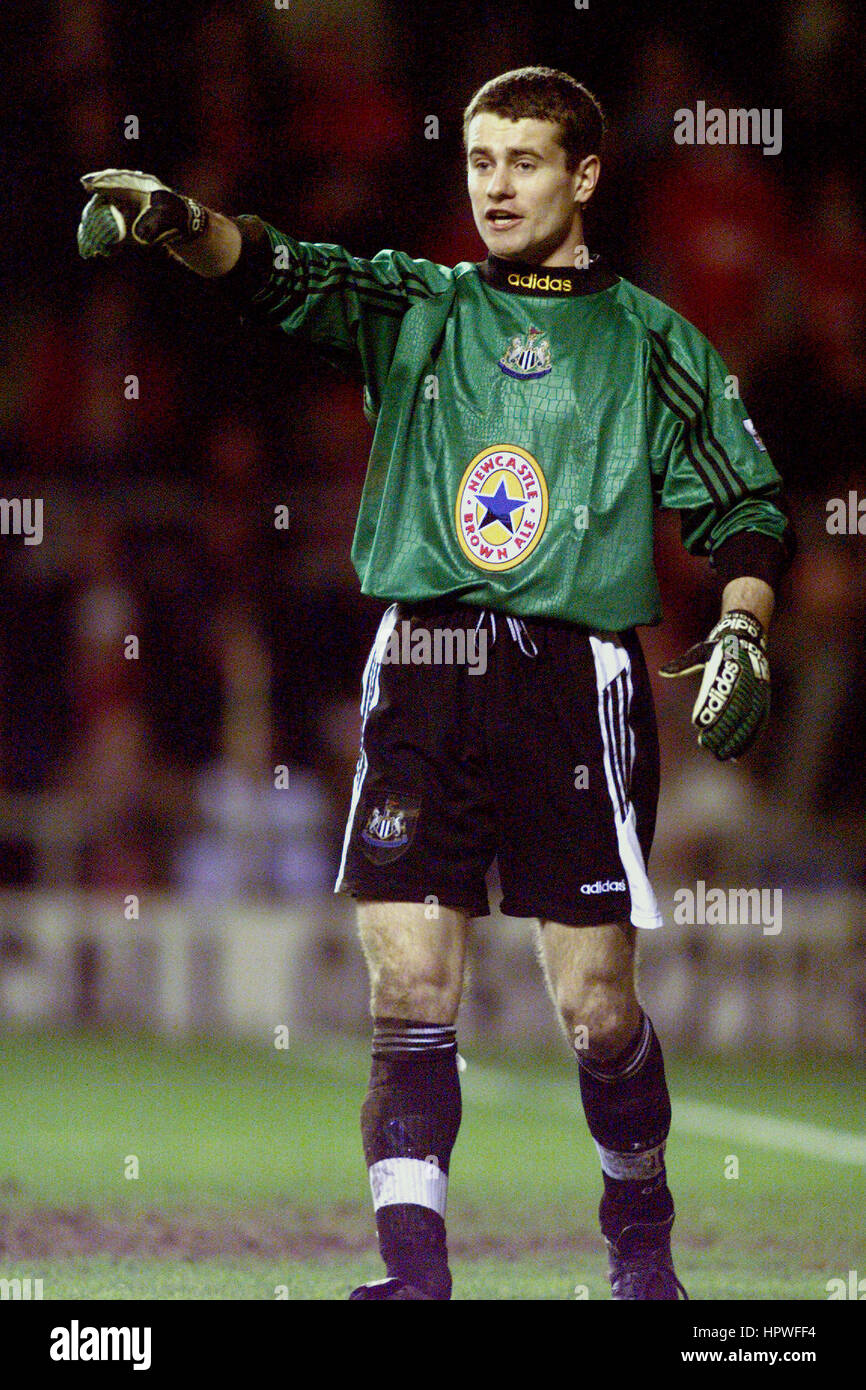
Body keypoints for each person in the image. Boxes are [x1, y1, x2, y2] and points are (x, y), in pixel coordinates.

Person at [77, 65, 794, 1301]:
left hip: (577, 677)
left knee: (594, 1008)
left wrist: (738, 623)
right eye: (477, 161)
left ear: (582, 176)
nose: (495, 186)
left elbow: (742, 506)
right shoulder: (418, 302)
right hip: (420, 660)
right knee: (407, 978)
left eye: (523, 162)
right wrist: (177, 219)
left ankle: (641, 1242)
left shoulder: (649, 340)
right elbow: (273, 270)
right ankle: (412, 1280)